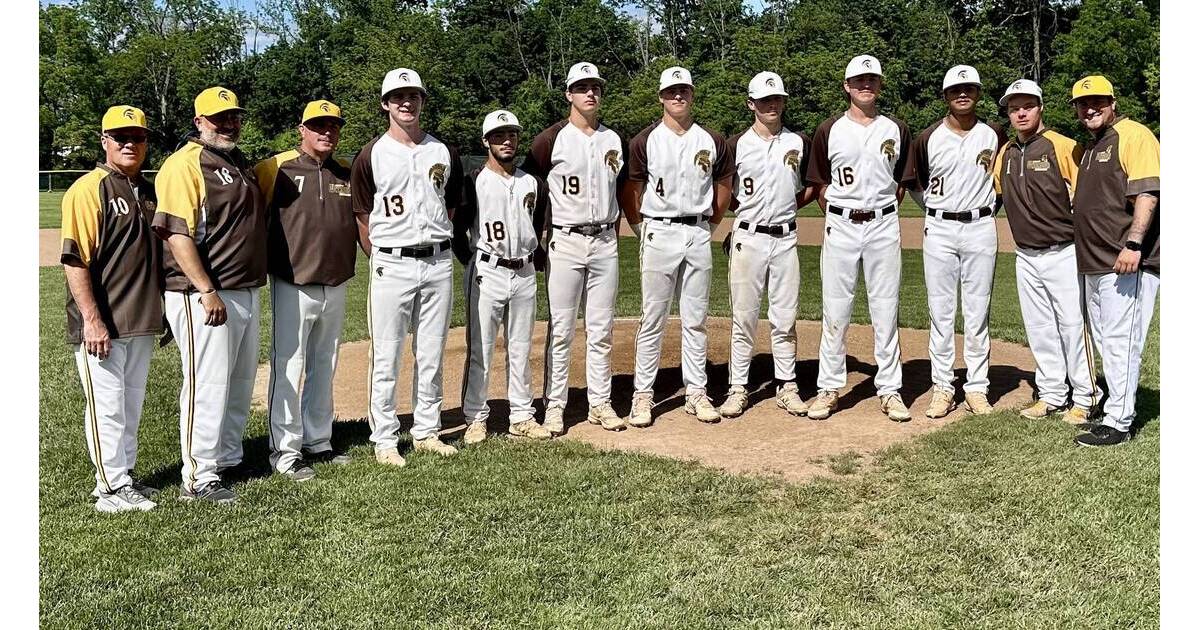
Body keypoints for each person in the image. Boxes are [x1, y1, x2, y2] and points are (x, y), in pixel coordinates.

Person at [153, 87, 267, 503]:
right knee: (208, 383)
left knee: (239, 381)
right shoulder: (185, 163)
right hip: (204, 292)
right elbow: (176, 233)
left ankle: (227, 458)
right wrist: (206, 289)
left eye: (234, 116)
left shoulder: (237, 161)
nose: (229, 124)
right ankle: (199, 476)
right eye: (219, 118)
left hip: (244, 287)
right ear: (199, 121)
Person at [351, 68, 463, 464]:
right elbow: (363, 216)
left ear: (422, 101)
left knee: (431, 352)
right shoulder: (371, 154)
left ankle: (427, 430)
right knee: (386, 354)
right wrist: (383, 256)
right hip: (392, 262)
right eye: (398, 96)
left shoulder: (443, 151)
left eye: (413, 95)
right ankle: (384, 438)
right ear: (385, 104)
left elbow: (449, 205)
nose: (406, 102)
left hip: (437, 261)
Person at [61, 105, 163, 512]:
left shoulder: (149, 191)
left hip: (140, 319)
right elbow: (75, 260)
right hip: (103, 322)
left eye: (137, 137)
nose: (129, 143)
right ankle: (110, 487)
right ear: (104, 141)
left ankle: (125, 477)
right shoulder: (89, 188)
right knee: (107, 408)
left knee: (130, 405)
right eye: (120, 137)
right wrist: (92, 319)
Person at [620, 66, 734, 427]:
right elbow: (631, 191)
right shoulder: (645, 140)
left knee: (696, 319)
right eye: (671, 91)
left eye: (683, 90)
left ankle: (696, 391)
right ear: (661, 97)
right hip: (659, 230)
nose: (678, 96)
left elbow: (723, 187)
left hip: (697, 230)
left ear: (692, 94)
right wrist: (642, 229)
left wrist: (709, 226)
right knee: (652, 317)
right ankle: (642, 394)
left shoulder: (711, 140)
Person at [254, 100, 358, 481]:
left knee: (325, 363)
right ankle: (284, 451)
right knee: (289, 364)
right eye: (318, 125)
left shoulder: (345, 170)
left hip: (336, 280)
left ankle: (319, 440)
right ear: (302, 129)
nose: (326, 132)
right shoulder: (275, 167)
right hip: (292, 282)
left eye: (333, 126)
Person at [805, 54, 912, 422]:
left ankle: (890, 389)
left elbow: (900, 182)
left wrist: (879, 210)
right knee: (836, 308)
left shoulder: (896, 128)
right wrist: (842, 212)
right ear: (847, 86)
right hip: (842, 224)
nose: (866, 85)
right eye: (859, 80)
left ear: (880, 85)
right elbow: (820, 184)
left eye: (872, 79)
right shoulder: (829, 129)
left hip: (883, 224)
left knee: (886, 308)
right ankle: (829, 387)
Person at [523, 62, 627, 435]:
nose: (590, 93)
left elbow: (620, 190)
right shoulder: (549, 139)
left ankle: (600, 403)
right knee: (562, 328)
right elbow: (530, 190)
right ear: (569, 94)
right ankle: (555, 406)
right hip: (564, 240)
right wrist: (536, 239)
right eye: (582, 87)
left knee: (601, 329)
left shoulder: (615, 139)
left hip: (604, 240)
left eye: (595, 86)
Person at [992, 79, 1099, 423]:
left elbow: (1088, 193)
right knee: (1039, 328)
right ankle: (1052, 394)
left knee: (1072, 325)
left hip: (1063, 250)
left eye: (1028, 106)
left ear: (1041, 108)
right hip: (1026, 254)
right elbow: (997, 194)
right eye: (1014, 108)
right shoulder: (1006, 153)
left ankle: (1086, 396)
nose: (1021, 113)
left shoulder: (1063, 146)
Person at [903, 65, 1005, 418]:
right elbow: (915, 183)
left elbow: (1002, 181)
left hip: (981, 226)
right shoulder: (928, 137)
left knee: (977, 311)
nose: (963, 94)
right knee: (941, 312)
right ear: (945, 95)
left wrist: (988, 208)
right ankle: (943, 386)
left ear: (978, 93)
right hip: (940, 229)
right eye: (955, 90)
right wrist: (934, 210)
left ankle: (976, 387)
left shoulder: (994, 134)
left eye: (969, 88)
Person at [1068, 75, 1160, 447]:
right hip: (1095, 261)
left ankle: (1119, 422)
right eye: (1083, 103)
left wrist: (1134, 244)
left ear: (1113, 103)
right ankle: (1115, 407)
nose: (1090, 108)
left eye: (1098, 101)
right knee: (1107, 340)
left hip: (1125, 260)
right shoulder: (1091, 146)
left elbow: (1148, 193)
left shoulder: (1134, 135)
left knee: (1121, 341)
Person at [718, 71, 816, 419]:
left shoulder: (799, 142)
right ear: (751, 104)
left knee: (785, 317)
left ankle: (787, 386)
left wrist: (787, 207)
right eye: (764, 100)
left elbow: (810, 186)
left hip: (785, 237)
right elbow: (725, 191)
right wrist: (747, 213)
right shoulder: (735, 145)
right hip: (749, 237)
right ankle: (738, 387)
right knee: (744, 317)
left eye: (777, 99)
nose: (771, 105)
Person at [452, 110, 552, 443]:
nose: (506, 141)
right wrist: (472, 262)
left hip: (524, 272)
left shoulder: (532, 183)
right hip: (487, 271)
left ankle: (521, 415)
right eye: (498, 135)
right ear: (486, 141)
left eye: (511, 134)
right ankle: (475, 417)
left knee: (521, 348)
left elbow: (535, 224)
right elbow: (457, 230)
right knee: (480, 349)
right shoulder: (474, 181)